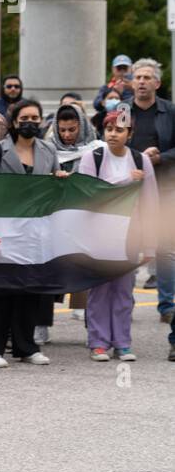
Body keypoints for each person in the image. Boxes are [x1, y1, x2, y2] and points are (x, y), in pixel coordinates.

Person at [0, 99, 61, 366]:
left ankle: (26, 346)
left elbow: (53, 185)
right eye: (25, 118)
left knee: (29, 289)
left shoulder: (48, 150)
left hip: (35, 231)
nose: (31, 123)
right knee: (1, 290)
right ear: (14, 122)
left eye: (36, 118)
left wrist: (59, 181)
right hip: (4, 230)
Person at [77, 110, 157, 360]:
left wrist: (150, 245)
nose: (113, 134)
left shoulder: (141, 160)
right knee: (100, 290)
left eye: (119, 130)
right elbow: (89, 195)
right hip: (98, 234)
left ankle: (122, 341)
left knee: (124, 290)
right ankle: (98, 342)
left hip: (130, 235)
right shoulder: (93, 158)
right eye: (109, 129)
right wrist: (126, 181)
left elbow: (150, 202)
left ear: (129, 134)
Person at [125, 59, 175, 357]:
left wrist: (160, 158)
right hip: (130, 190)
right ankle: (123, 305)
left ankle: (167, 306)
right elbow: (112, 144)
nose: (141, 82)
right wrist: (138, 157)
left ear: (157, 83)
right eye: (137, 77)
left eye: (147, 78)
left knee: (166, 250)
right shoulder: (122, 111)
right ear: (132, 83)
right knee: (127, 249)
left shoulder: (170, 111)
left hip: (166, 189)